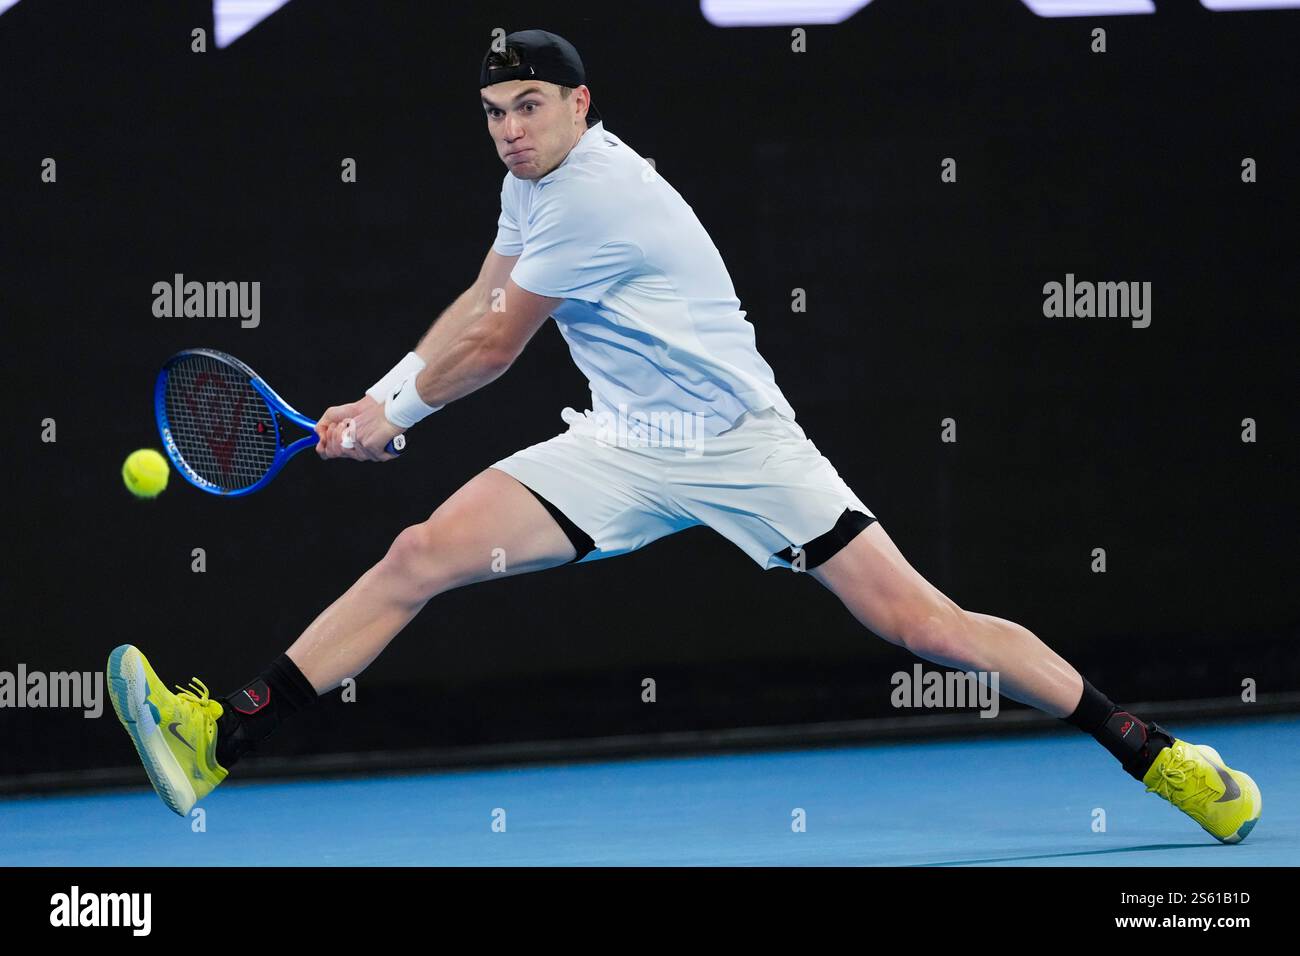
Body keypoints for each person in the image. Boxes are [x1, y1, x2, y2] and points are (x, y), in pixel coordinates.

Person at [107, 29, 1261, 845]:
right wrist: (378, 399)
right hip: (622, 442)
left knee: (928, 626)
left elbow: (499, 347)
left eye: (530, 107)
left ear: (580, 105)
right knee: (418, 554)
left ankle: (1156, 754)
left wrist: (393, 413)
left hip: (742, 446)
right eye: (494, 112)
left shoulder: (601, 194)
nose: (509, 129)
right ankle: (218, 736)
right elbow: (479, 298)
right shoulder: (534, 186)